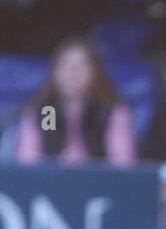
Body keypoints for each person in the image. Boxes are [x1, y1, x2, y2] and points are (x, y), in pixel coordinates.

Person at [14, 37, 134, 165]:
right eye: (65, 64)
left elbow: (122, 165)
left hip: (98, 182)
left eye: (82, 65)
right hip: (52, 181)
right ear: (54, 72)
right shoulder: (47, 111)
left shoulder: (109, 111)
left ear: (96, 73)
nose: (72, 71)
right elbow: (29, 162)